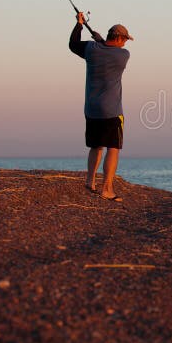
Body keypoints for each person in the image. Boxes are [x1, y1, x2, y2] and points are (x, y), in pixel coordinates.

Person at [69, 12, 133, 201]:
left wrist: (79, 25)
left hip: (91, 109)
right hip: (112, 111)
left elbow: (73, 44)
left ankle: (90, 180)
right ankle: (107, 188)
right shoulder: (123, 55)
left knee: (96, 146)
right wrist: (99, 40)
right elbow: (110, 49)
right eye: (125, 39)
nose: (125, 43)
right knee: (113, 147)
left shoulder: (91, 49)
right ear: (119, 38)